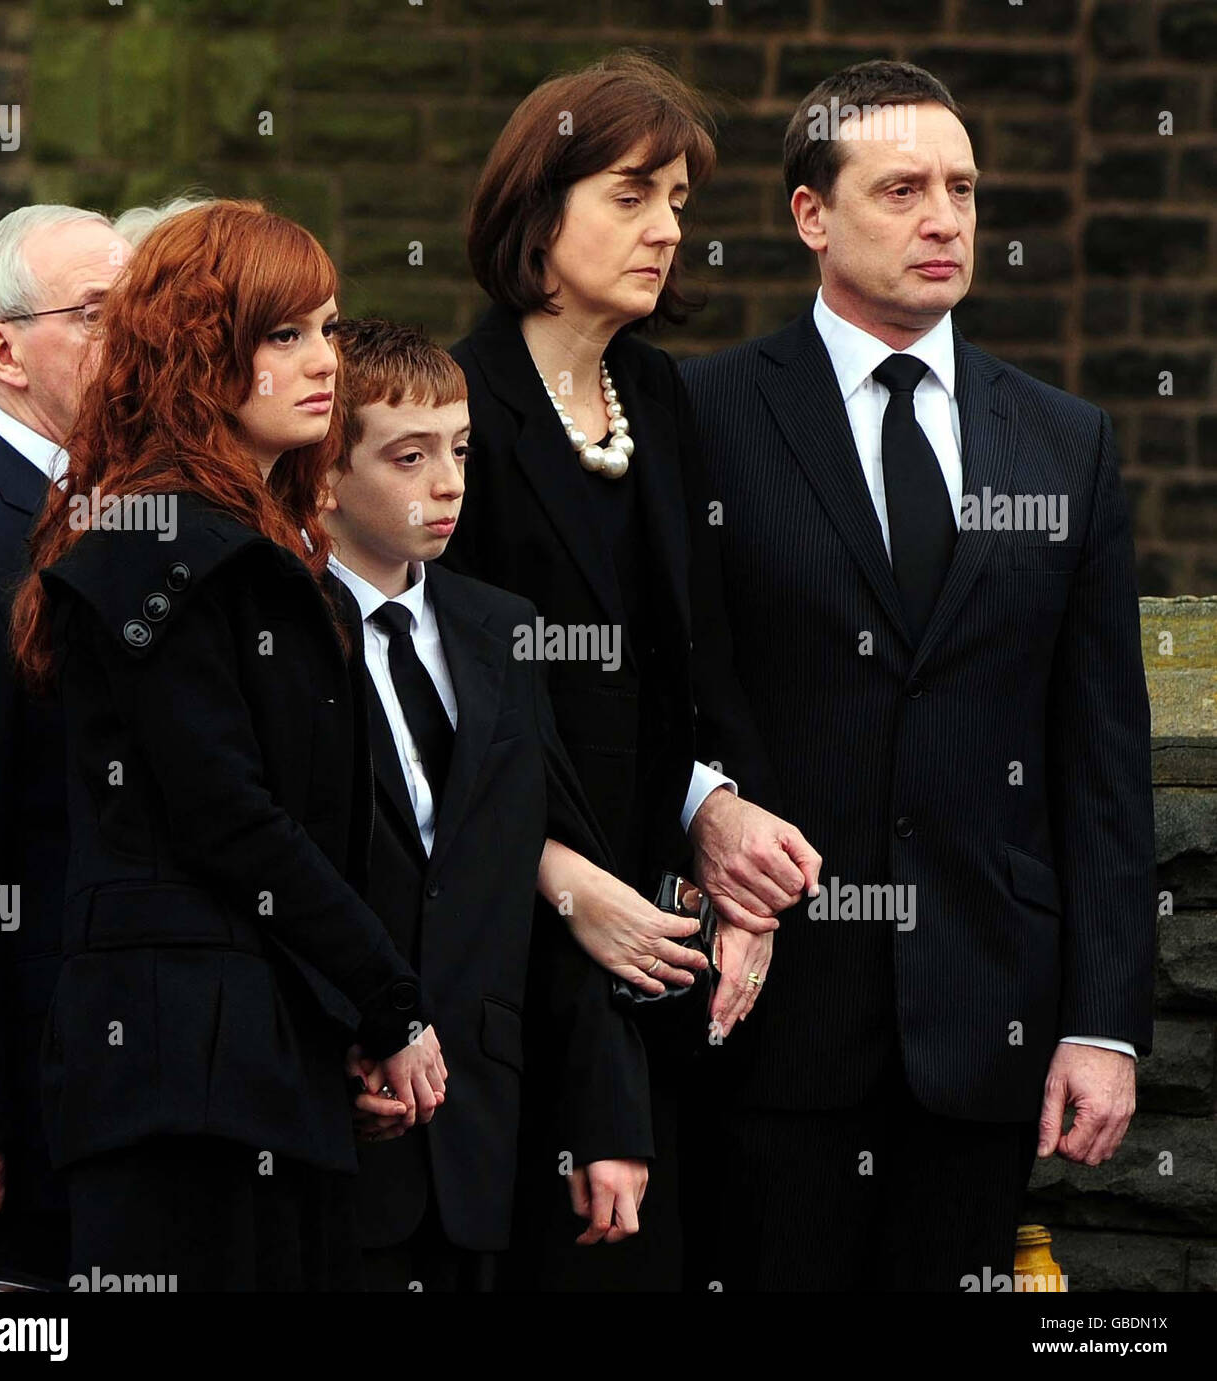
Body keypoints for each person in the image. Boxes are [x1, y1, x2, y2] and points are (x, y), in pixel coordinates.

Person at [679, 59, 1156, 1290]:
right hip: (766, 1023)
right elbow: (646, 690)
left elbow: (1100, 753)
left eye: (962, 189)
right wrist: (700, 805)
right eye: (901, 190)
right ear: (810, 216)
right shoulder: (703, 416)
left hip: (983, 1024)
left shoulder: (1064, 441)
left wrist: (1102, 1024)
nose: (944, 219)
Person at [9, 200, 443, 1292]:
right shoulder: (154, 542)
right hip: (174, 1078)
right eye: (283, 334)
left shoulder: (249, 545)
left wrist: (342, 1019)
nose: (324, 363)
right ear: (199, 353)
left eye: (332, 330)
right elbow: (228, 816)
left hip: (255, 1066)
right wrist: (387, 1001)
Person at [444, 51, 822, 1291]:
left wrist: (721, 821)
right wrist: (563, 882)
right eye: (631, 193)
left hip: (661, 955)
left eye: (679, 201)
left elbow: (695, 677)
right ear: (536, 208)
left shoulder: (657, 399)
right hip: (505, 964)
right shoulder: (453, 414)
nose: (667, 229)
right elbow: (425, 721)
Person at [320, 318, 660, 1289]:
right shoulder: (283, 630)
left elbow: (554, 869)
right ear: (326, 471)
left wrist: (605, 1119)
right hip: (336, 1137)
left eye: (461, 450)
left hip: (482, 1141)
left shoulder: (502, 631)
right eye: (408, 454)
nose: (448, 481)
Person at [0, 205, 132, 1280]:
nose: (134, 339)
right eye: (99, 314)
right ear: (1, 350)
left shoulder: (134, 508)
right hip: (22, 1084)